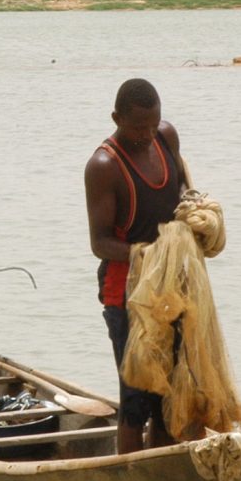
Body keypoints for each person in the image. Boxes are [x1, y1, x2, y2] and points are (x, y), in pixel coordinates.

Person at [84, 78, 187, 453]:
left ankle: (162, 463)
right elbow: (100, 243)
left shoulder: (166, 137)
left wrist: (200, 215)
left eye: (152, 124)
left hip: (172, 285)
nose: (147, 135)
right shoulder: (104, 165)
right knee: (136, 396)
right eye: (137, 128)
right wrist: (150, 253)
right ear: (116, 118)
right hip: (125, 290)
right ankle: (130, 470)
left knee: (170, 393)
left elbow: (182, 194)